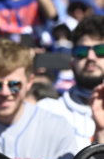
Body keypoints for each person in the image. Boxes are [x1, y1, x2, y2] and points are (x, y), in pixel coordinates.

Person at [37, 14, 104, 148]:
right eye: (81, 52)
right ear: (72, 61)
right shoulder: (48, 111)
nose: (91, 57)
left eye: (100, 50)